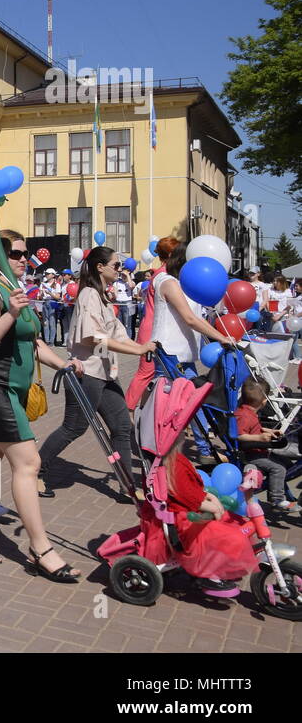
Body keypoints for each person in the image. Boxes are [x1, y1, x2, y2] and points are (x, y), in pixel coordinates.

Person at [0, 231, 85, 581]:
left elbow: (33, 340)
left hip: (9, 388)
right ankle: (41, 548)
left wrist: (62, 364)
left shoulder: (16, 291)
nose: (23, 258)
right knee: (29, 462)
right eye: (15, 253)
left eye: (25, 253)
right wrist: (10, 312)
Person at [37, 246, 156, 499]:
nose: (120, 269)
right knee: (73, 428)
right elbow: (93, 337)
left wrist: (142, 347)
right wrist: (135, 352)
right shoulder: (89, 294)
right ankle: (35, 470)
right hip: (86, 372)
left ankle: (127, 486)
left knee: (122, 427)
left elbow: (118, 333)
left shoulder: (102, 296)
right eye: (116, 265)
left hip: (105, 373)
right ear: (100, 267)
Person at [147, 244, 236, 459]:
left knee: (192, 401)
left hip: (182, 355)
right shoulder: (167, 282)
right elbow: (189, 319)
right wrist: (222, 337)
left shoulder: (189, 286)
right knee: (175, 404)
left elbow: (200, 317)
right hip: (168, 352)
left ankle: (198, 449)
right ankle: (162, 451)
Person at [162, 439, 259, 586]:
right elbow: (184, 495)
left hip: (192, 509)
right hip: (186, 517)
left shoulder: (178, 459)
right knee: (232, 537)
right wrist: (212, 506)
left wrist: (211, 497)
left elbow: (192, 489)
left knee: (237, 523)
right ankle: (210, 573)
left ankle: (223, 566)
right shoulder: (171, 466)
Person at [125, 237, 179, 410]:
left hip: (157, 328)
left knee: (156, 374)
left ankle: (145, 412)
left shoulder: (166, 272)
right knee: (145, 373)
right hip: (151, 330)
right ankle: (127, 410)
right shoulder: (164, 275)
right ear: (171, 254)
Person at [235, 379, 296, 514]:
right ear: (264, 401)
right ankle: (277, 499)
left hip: (257, 451)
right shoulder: (245, 416)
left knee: (281, 462)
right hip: (252, 453)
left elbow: (253, 428)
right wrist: (259, 438)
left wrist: (269, 431)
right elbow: (239, 435)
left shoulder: (246, 412)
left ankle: (255, 477)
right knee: (278, 468)